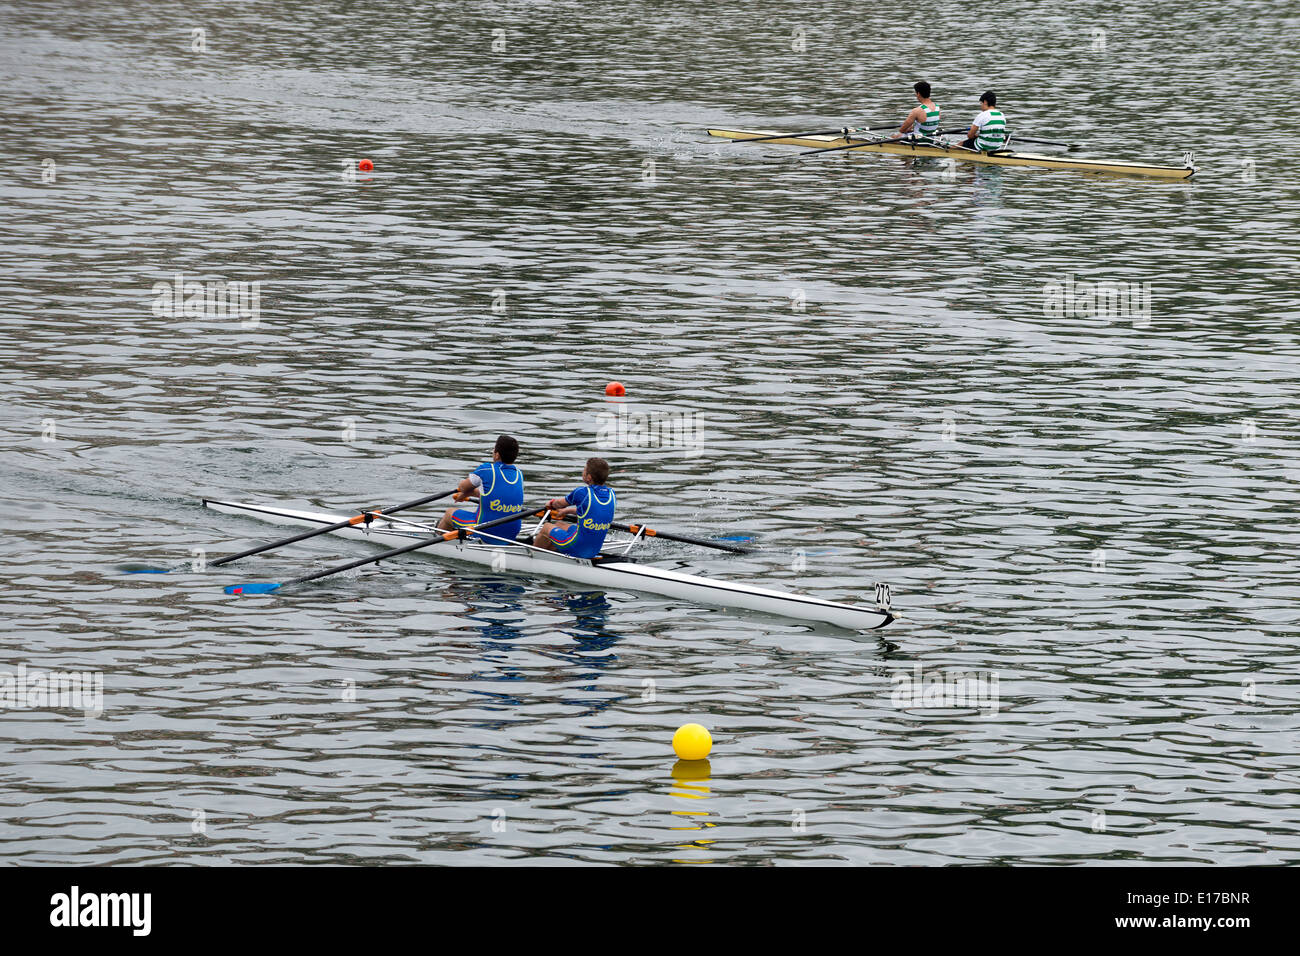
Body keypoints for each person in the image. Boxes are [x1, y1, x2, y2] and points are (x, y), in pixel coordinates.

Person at [437, 435, 525, 544]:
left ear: (497, 455)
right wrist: (469, 493)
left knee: (449, 513)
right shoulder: (519, 474)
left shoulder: (487, 469)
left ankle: (437, 543)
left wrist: (464, 490)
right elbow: (496, 494)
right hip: (511, 533)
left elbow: (463, 487)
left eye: (494, 450)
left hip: (484, 531)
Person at [531, 457, 616, 559]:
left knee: (546, 527)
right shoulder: (611, 494)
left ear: (589, 477)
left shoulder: (582, 493)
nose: (582, 471)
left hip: (577, 547)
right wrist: (567, 511)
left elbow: (558, 504)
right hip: (594, 550)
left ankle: (531, 557)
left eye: (584, 469)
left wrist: (550, 503)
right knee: (559, 524)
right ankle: (550, 555)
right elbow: (594, 511)